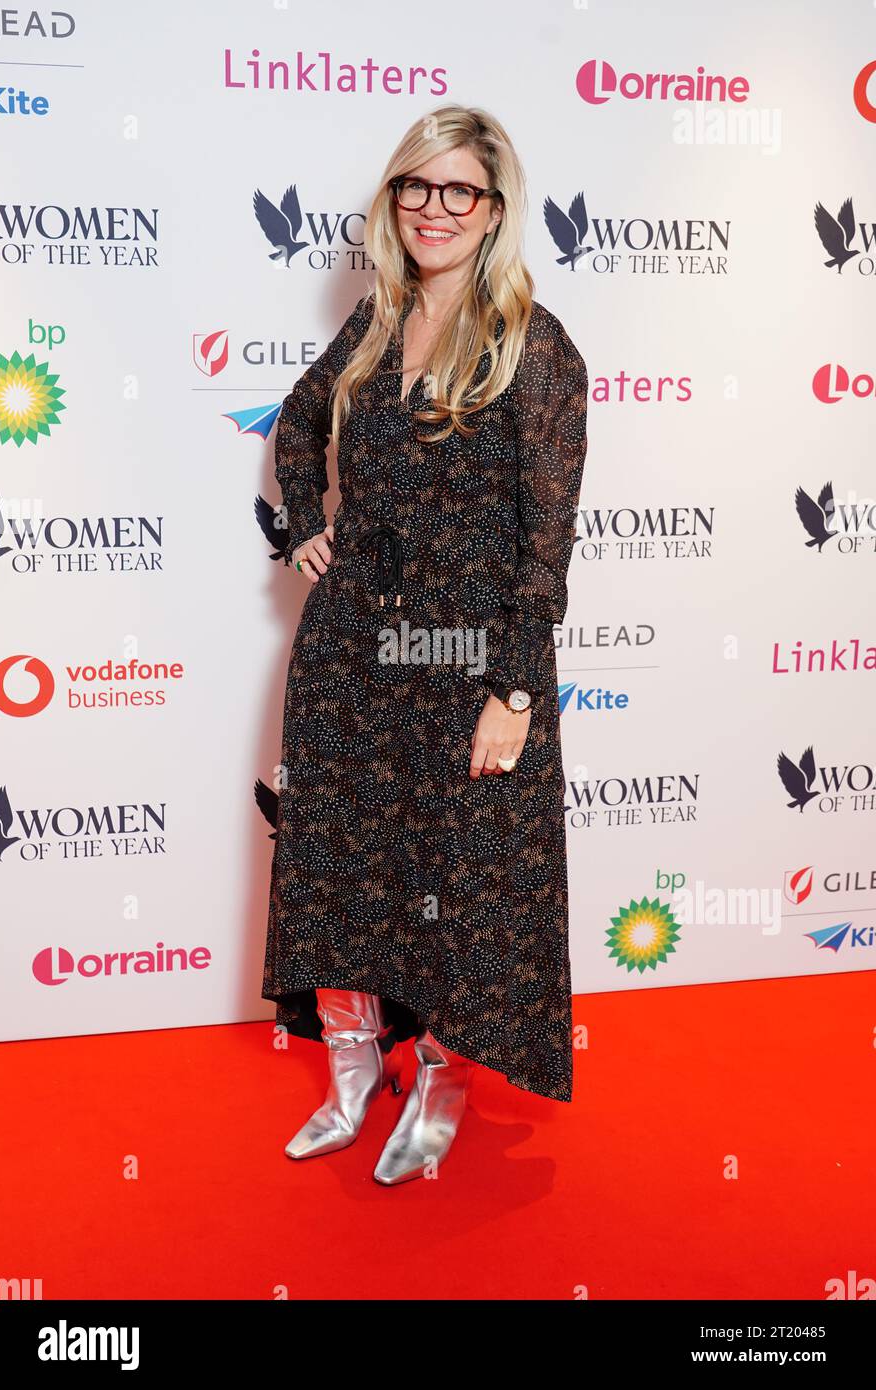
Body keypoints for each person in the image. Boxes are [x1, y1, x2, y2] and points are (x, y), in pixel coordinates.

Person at [262, 104, 589, 1186]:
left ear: (495, 209)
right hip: (353, 645)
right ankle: (353, 1071)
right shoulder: (371, 322)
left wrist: (518, 693)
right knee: (341, 862)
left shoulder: (533, 346)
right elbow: (299, 424)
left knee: (453, 868)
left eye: (460, 191)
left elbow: (546, 550)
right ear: (392, 198)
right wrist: (310, 517)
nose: (434, 209)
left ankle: (440, 1081)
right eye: (417, 186)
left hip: (461, 656)